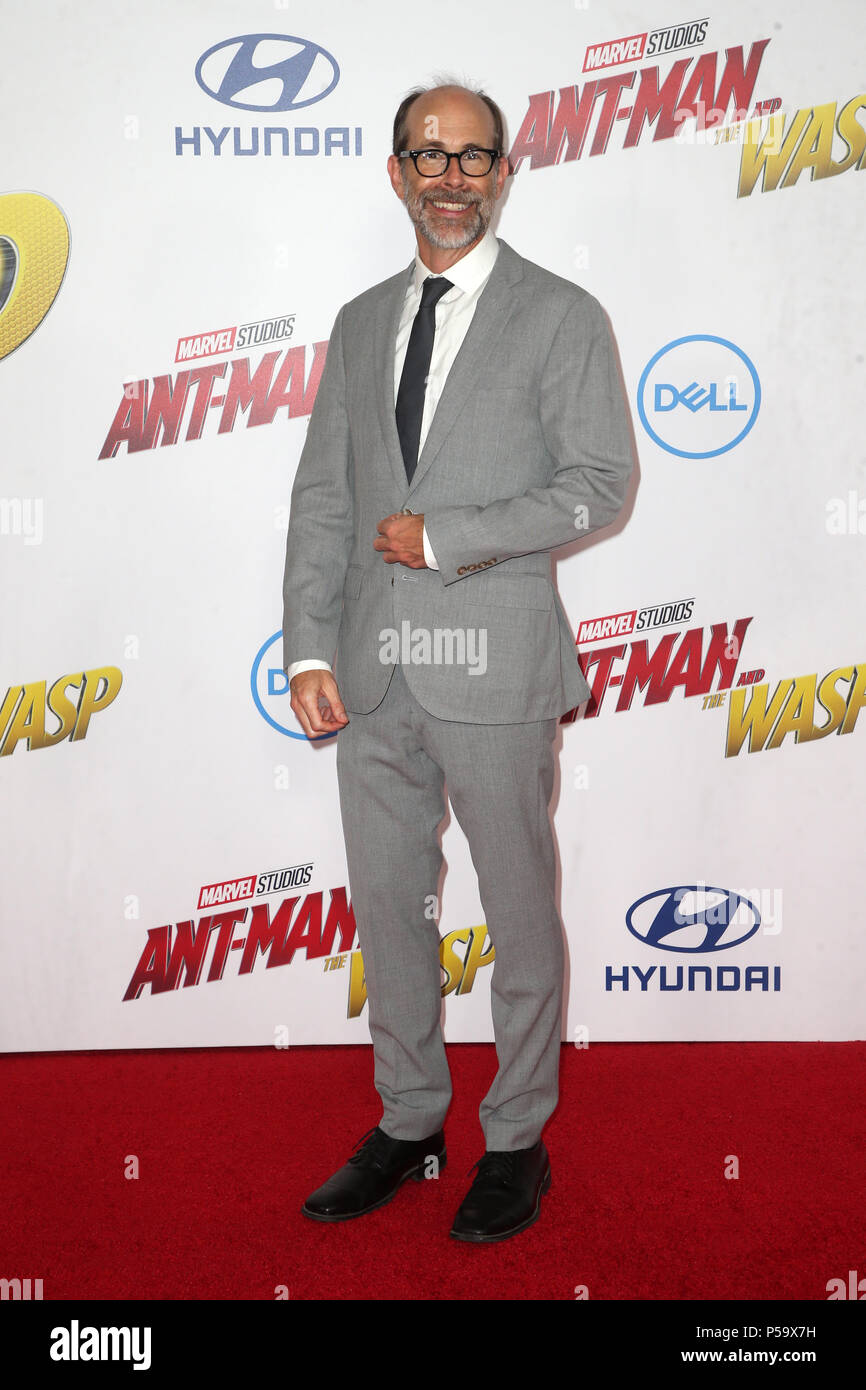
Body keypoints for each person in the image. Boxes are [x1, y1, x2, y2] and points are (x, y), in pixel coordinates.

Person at [282, 79, 633, 1242]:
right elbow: (323, 502)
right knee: (389, 909)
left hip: (493, 667)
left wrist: (445, 539)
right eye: (427, 157)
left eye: (473, 158)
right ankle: (410, 1120)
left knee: (518, 907)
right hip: (370, 673)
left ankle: (517, 1138)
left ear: (501, 174)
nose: (449, 178)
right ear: (395, 171)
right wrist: (306, 648)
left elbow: (597, 484)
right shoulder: (358, 319)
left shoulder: (561, 314)